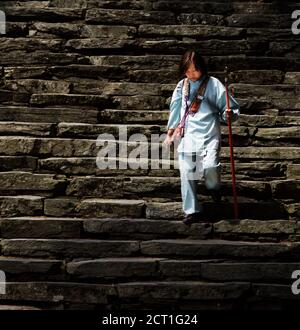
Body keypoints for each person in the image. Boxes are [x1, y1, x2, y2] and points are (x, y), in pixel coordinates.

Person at [163, 49, 240, 225]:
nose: (191, 74)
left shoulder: (214, 84)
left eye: (194, 70)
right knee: (187, 173)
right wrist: (170, 134)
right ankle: (192, 210)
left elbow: (230, 109)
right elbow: (175, 110)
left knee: (211, 168)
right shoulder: (182, 85)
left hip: (209, 135)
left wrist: (228, 114)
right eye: (187, 70)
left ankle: (214, 188)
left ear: (202, 68)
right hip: (187, 136)